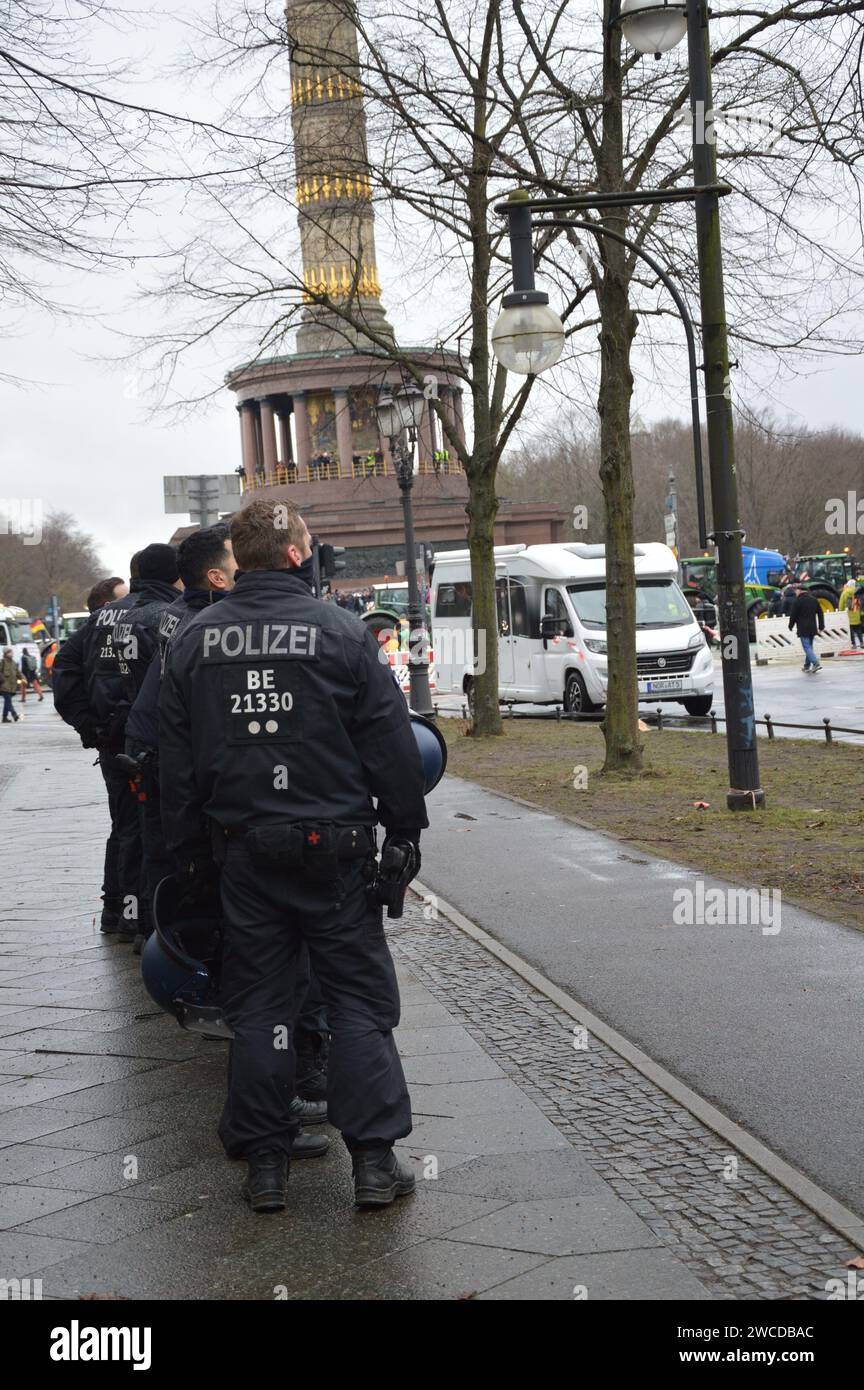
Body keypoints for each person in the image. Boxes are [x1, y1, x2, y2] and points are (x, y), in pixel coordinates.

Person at [159, 498, 428, 1212]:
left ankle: (266, 1165)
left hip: (244, 857)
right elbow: (390, 744)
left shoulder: (193, 641)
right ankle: (372, 1162)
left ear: (236, 560)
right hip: (335, 853)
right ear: (295, 554)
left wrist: (189, 859)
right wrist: (403, 831)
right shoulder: (342, 633)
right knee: (358, 1004)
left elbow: (174, 766)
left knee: (258, 1007)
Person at [788, 584, 825, 672]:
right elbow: (820, 613)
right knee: (809, 647)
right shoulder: (814, 600)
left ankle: (816, 663)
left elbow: (793, 615)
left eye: (796, 590)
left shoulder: (797, 601)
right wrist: (821, 625)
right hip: (812, 628)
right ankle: (806, 666)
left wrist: (790, 625)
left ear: (800, 590)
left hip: (802, 628)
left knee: (807, 647)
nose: (795, 592)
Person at [839, 575, 864, 650]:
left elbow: (841, 604)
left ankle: (854, 644)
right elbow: (861, 603)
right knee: (858, 629)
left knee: (851, 631)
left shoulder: (845, 592)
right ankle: (862, 642)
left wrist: (841, 612)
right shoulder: (858, 592)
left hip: (848, 615)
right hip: (856, 613)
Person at [1, 649, 21, 723]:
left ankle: (4, 718)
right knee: (8, 701)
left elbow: (18, 673)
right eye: (10, 652)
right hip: (4, 686)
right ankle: (14, 714)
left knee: (7, 702)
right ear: (6, 654)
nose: (11, 654)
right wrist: (2, 679)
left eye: (12, 652)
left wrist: (23, 678)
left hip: (12, 686)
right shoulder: (2, 662)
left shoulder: (14, 663)